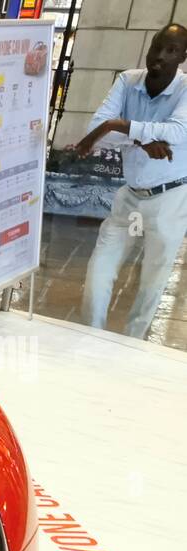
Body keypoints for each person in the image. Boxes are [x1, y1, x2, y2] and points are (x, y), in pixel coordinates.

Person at [75, 24, 187, 339]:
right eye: (157, 47)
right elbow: (96, 127)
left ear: (183, 56)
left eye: (171, 51)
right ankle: (91, 340)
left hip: (170, 199)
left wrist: (119, 126)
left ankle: (134, 342)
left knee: (153, 279)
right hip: (130, 197)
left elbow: (179, 132)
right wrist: (141, 141)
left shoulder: (185, 90)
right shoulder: (127, 80)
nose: (160, 57)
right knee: (100, 268)